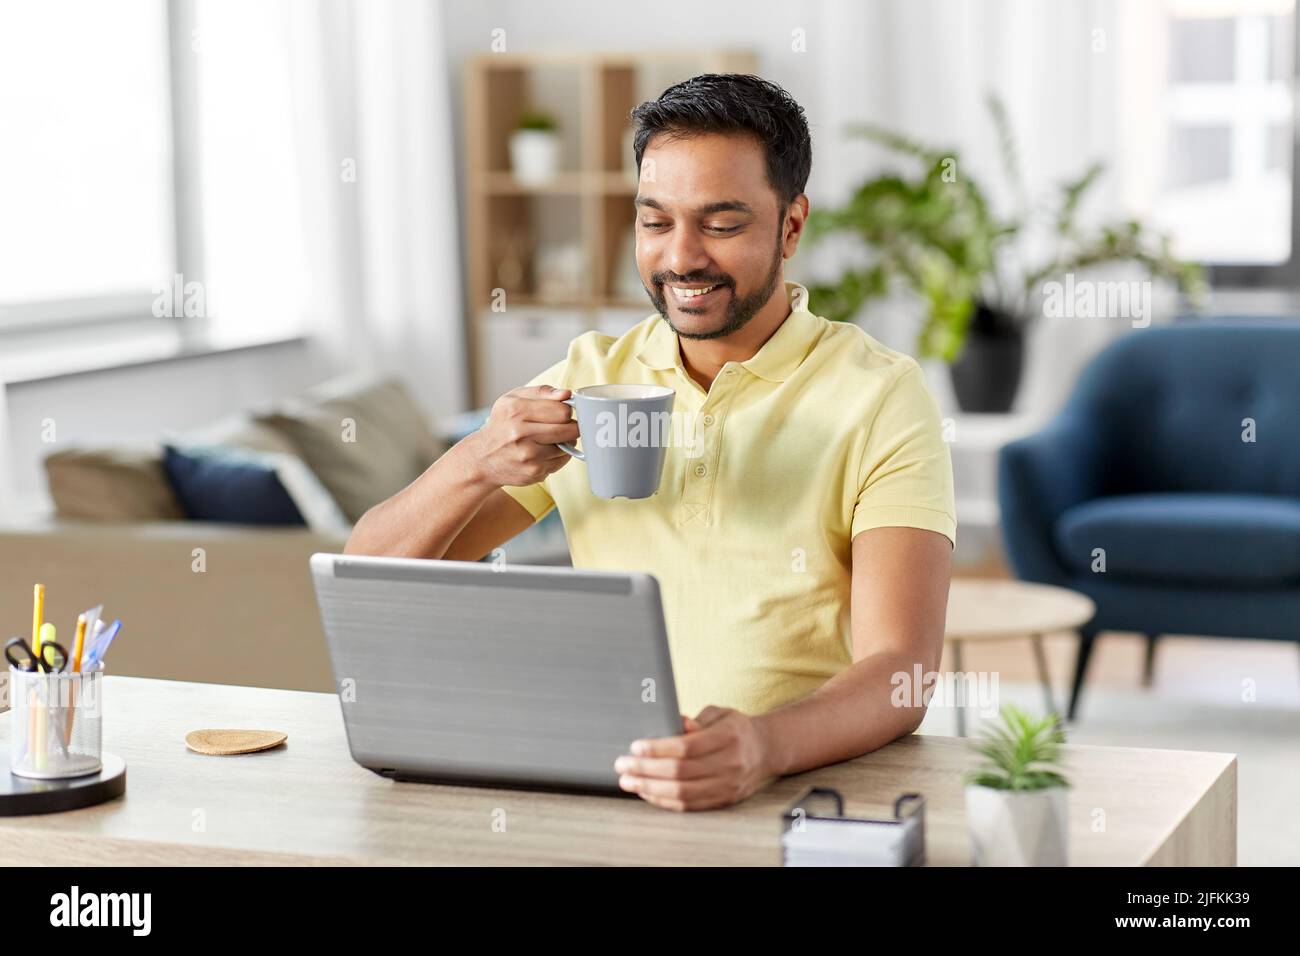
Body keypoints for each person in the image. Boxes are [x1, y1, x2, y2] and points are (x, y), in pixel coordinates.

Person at [346, 74, 955, 811]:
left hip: (794, 791)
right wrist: (476, 460)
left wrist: (761, 747)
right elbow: (367, 583)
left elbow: (902, 673)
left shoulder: (881, 395)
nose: (681, 258)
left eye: (722, 224)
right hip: (611, 782)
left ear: (792, 226)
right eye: (655, 221)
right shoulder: (591, 376)